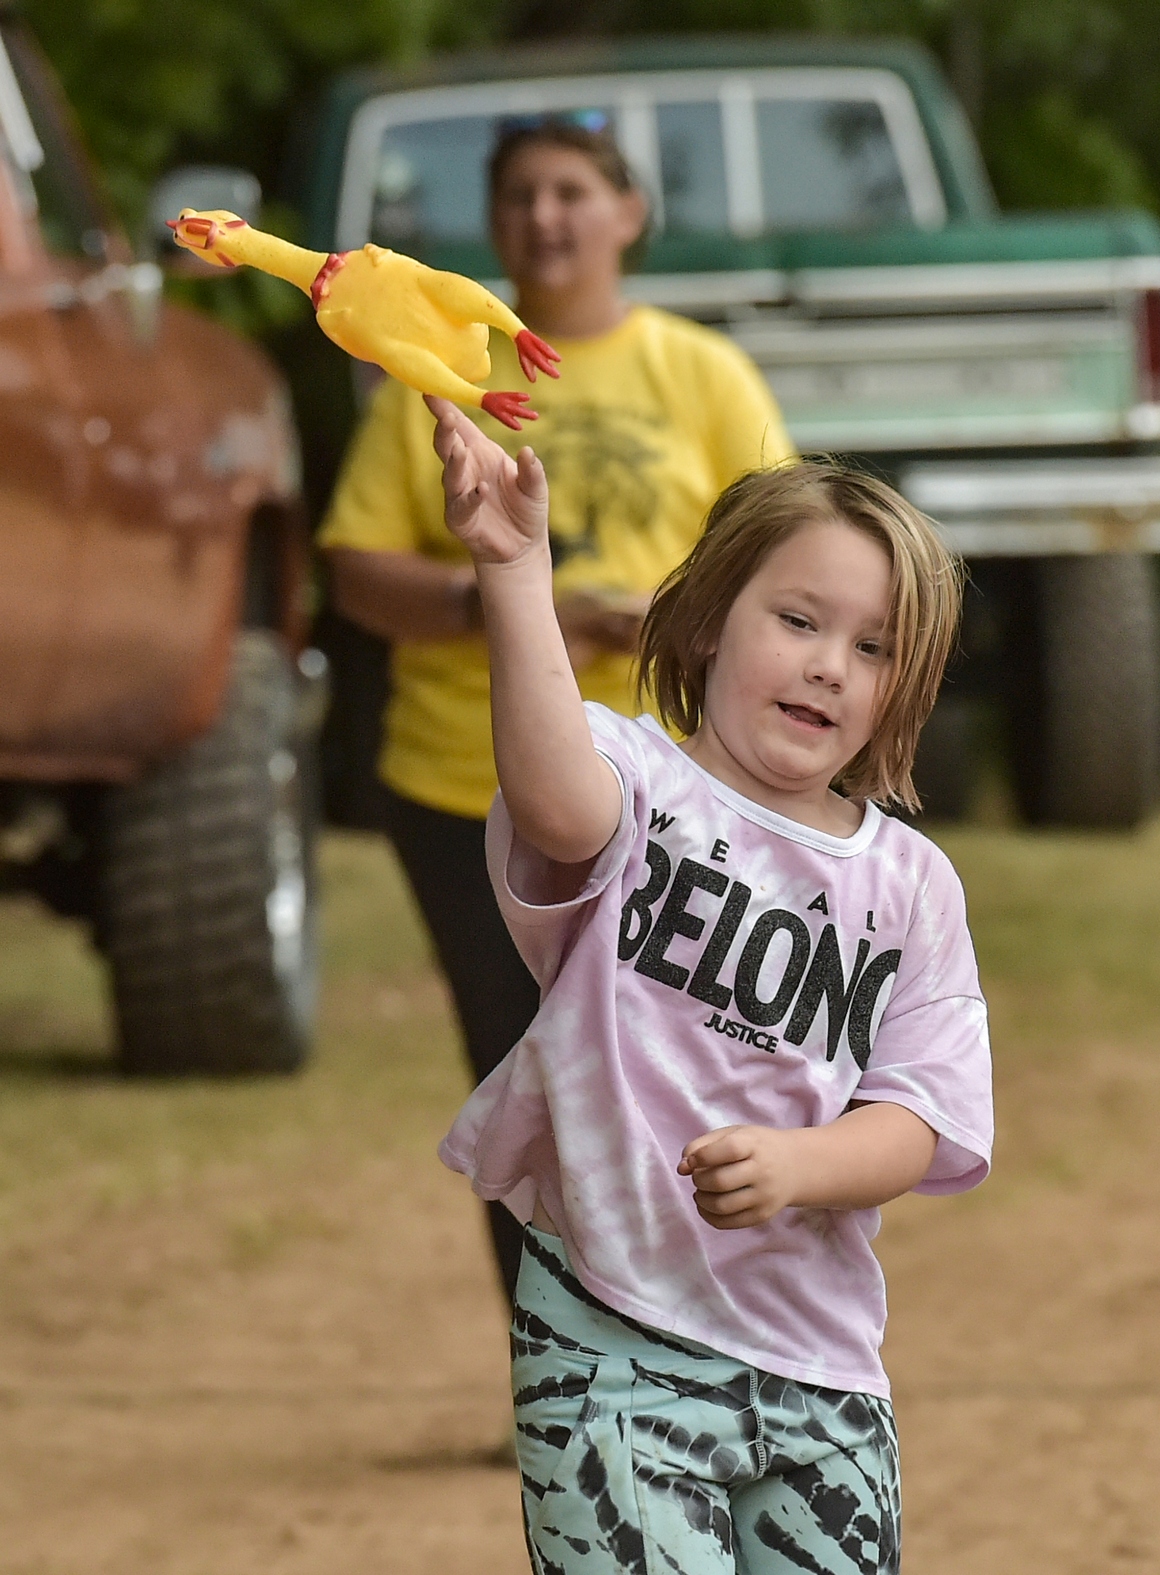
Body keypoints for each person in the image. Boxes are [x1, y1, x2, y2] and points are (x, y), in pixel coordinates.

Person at [429, 395, 993, 1574]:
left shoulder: (912, 886)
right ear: (704, 626)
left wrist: (802, 1166)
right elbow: (551, 799)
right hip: (610, 1333)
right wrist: (515, 571)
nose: (830, 667)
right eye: (798, 619)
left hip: (823, 1366)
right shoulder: (636, 786)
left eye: (875, 647)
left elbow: (919, 1121)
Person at [319, 115, 792, 1303]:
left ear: (628, 214)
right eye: (522, 194)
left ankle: (690, 1336)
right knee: (526, 1069)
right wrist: (517, 603)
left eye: (573, 190)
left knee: (678, 1067)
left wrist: (678, 616)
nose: (547, 216)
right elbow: (356, 570)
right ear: (494, 224)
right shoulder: (435, 370)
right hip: (461, 787)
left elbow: (791, 555)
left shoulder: (701, 372)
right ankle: (557, 1360)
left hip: (676, 789)